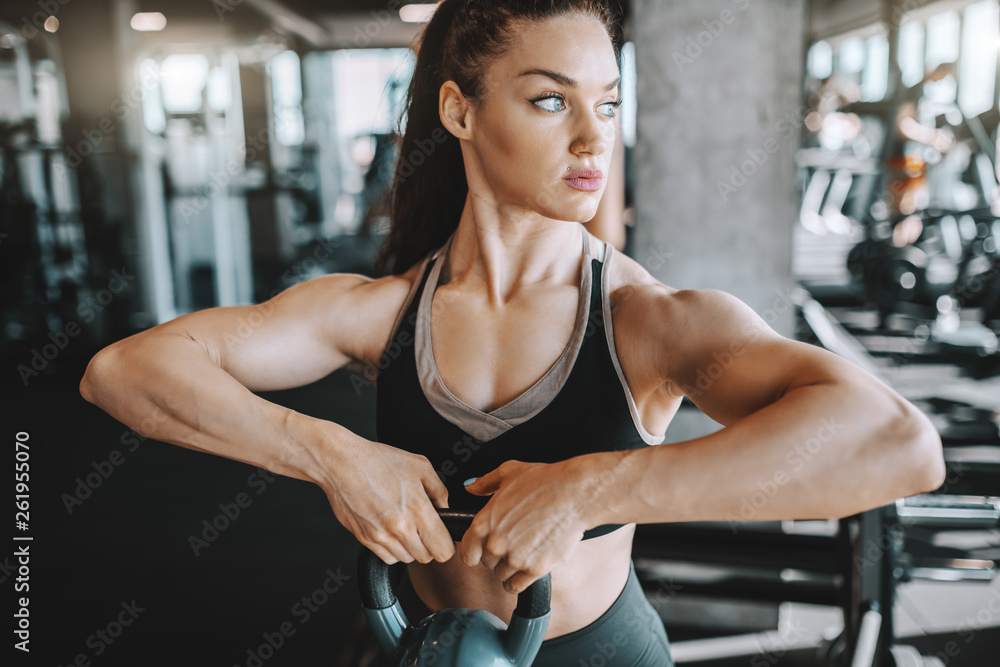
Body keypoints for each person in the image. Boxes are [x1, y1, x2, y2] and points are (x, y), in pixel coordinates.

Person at [79, 1, 947, 665]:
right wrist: (330, 453)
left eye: (607, 103)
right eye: (548, 100)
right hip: (412, 641)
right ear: (460, 112)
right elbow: (126, 370)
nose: (592, 137)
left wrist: (591, 490)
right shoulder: (381, 312)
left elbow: (900, 445)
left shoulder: (647, 321)